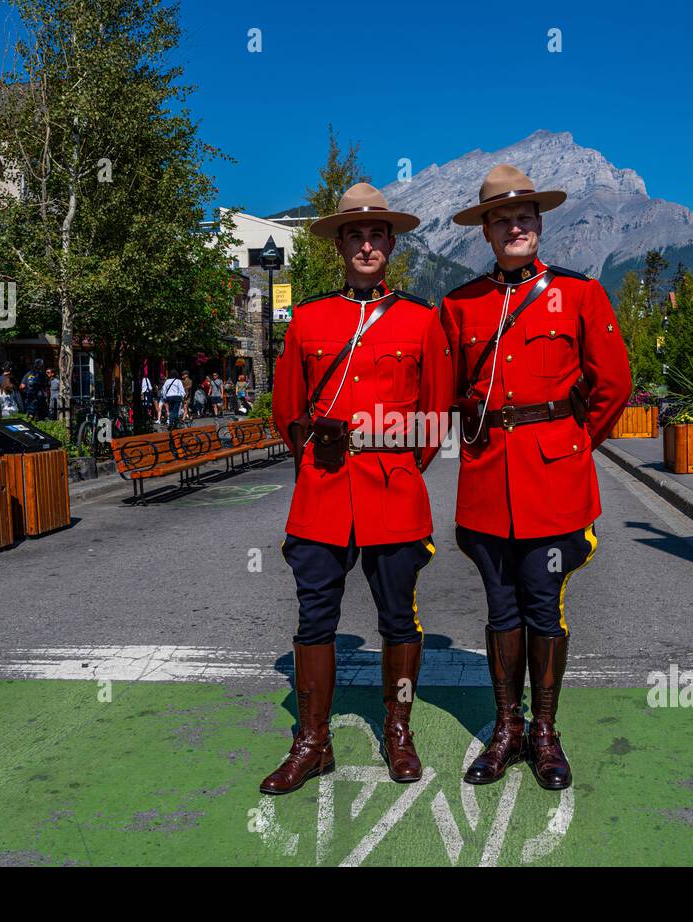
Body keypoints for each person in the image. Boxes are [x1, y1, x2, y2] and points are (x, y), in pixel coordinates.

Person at [441, 164, 631, 791]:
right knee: (501, 610)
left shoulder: (579, 294)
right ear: (487, 233)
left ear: (540, 225)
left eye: (525, 217)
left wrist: (575, 443)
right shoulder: (460, 304)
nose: (515, 227)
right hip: (489, 478)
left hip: (553, 480)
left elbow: (613, 384)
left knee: (543, 608)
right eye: (502, 219)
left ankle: (545, 734)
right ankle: (506, 729)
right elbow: (443, 396)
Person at [262, 183, 451, 795]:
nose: (366, 245)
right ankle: (313, 742)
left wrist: (393, 460)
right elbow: (287, 410)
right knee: (314, 616)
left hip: (393, 489)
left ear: (391, 242)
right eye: (355, 235)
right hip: (322, 488)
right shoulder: (311, 319)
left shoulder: (422, 320)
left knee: (398, 618)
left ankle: (398, 730)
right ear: (339, 244)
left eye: (377, 235)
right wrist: (323, 455)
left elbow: (434, 415)